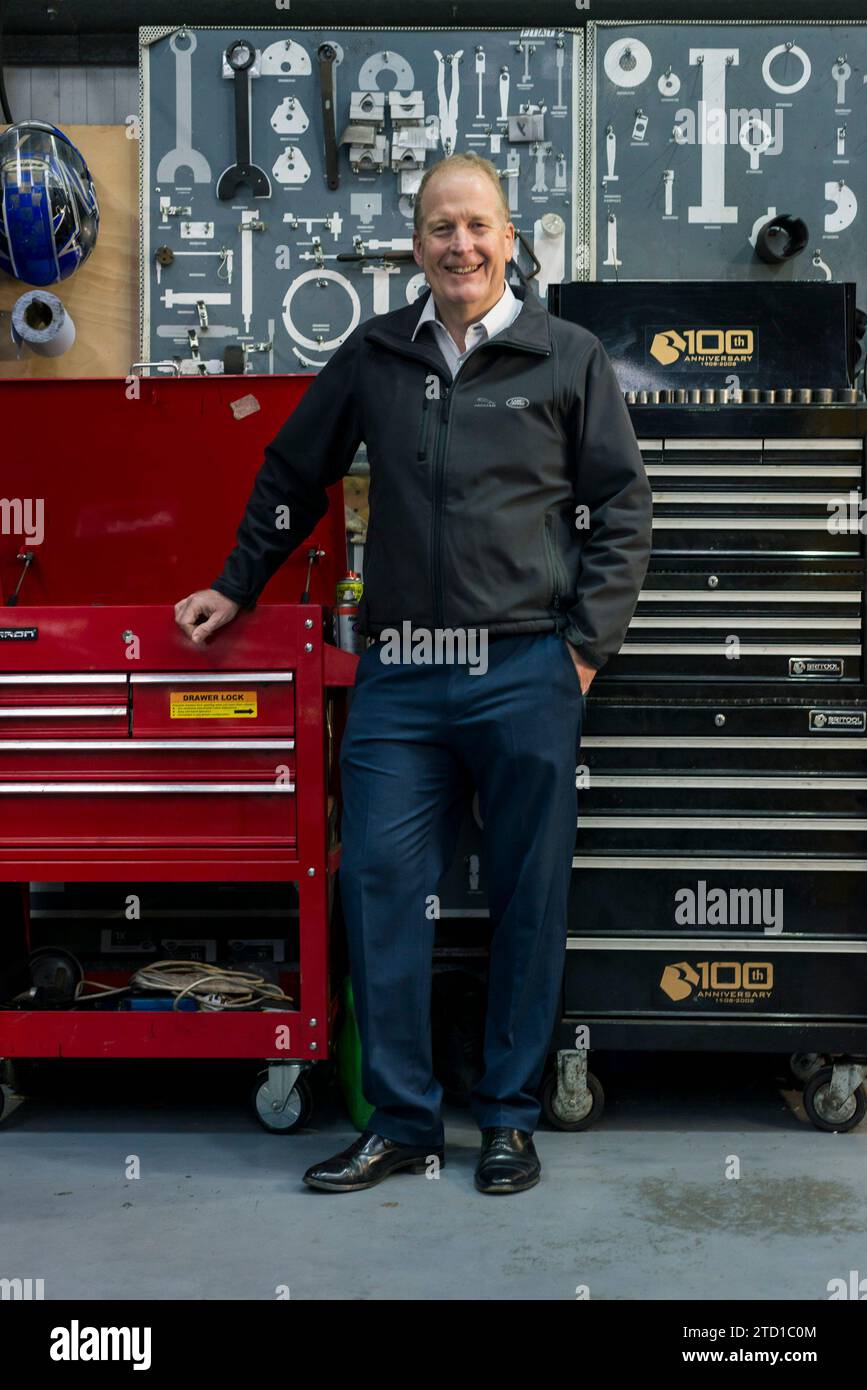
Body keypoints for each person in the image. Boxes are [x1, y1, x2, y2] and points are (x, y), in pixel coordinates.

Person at [175, 152, 653, 1195]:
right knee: (378, 882)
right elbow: (293, 472)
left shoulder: (565, 357)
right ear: (417, 245)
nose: (460, 245)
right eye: (441, 227)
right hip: (401, 672)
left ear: (511, 238)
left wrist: (583, 650)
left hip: (528, 666)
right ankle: (403, 1121)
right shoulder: (376, 353)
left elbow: (622, 508)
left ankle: (510, 1118)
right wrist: (236, 584)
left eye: (477, 225)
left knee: (529, 895)